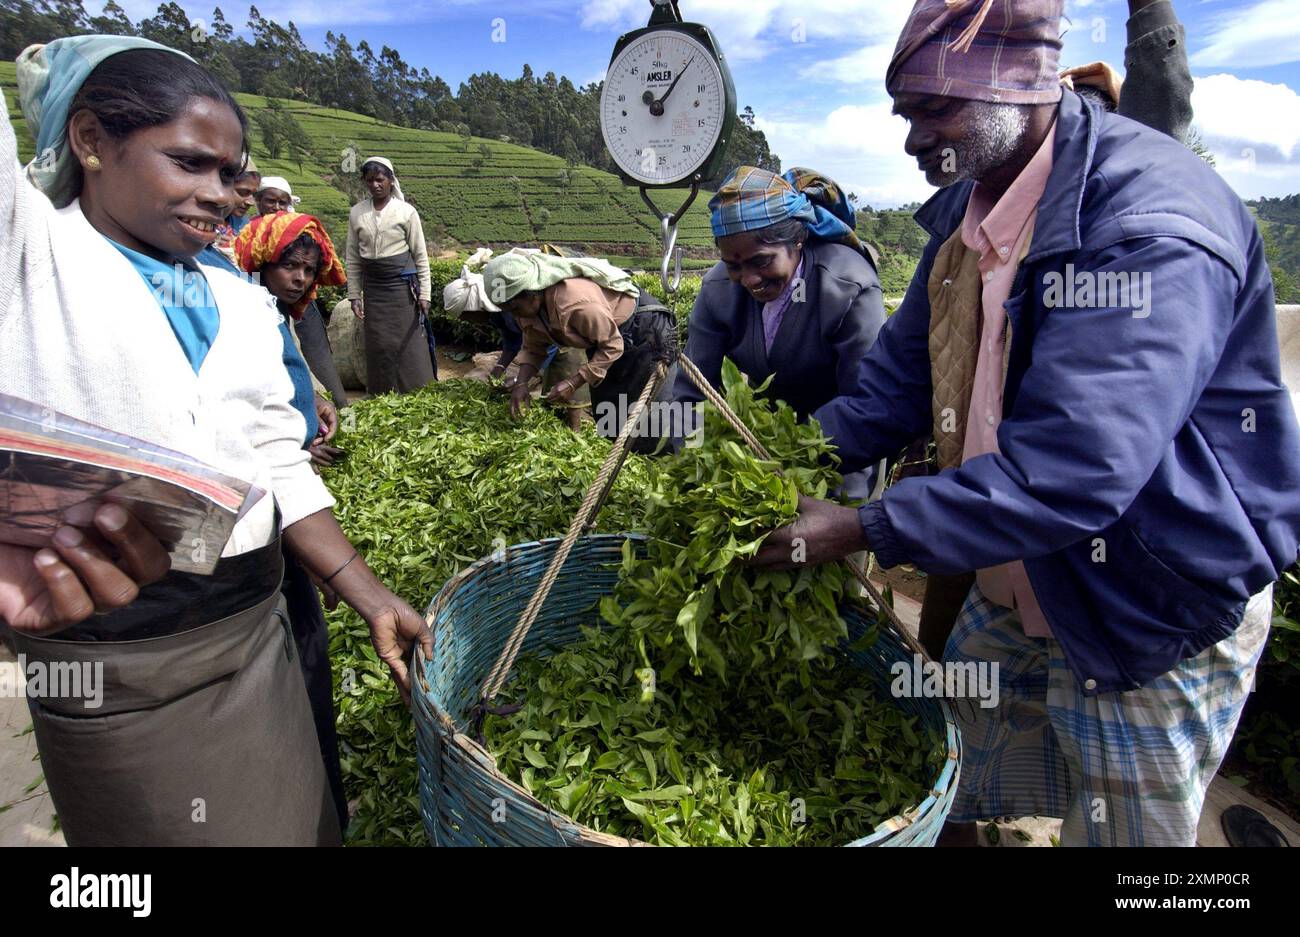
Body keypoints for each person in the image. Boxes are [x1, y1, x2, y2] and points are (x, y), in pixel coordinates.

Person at [751, 0, 1300, 847]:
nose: (911, 140)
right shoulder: (969, 224)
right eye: (906, 115)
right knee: (937, 764)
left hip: (1146, 601)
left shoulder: (1148, 226)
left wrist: (859, 527)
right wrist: (774, 463)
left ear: (1021, 84)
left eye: (935, 110)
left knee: (1131, 844)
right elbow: (894, 388)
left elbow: (1075, 468)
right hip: (1017, 579)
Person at [0, 36, 431, 846]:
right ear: (91, 140)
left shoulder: (238, 304)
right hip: (115, 654)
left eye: (231, 175)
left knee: (301, 822)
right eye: (190, 164)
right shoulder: (29, 254)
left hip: (252, 630)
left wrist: (371, 598)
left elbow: (277, 460)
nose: (222, 195)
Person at [916, 0, 1200, 661]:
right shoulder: (970, 222)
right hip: (993, 548)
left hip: (1118, 604)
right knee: (959, 706)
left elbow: (1079, 456)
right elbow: (905, 369)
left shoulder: (1135, 217)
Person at [233, 209, 351, 829]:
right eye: (290, 265)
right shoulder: (239, 312)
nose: (302, 278)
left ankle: (318, 796)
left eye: (309, 268)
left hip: (288, 494)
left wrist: (317, 406)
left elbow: (290, 381)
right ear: (261, 260)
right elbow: (253, 424)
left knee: (307, 642)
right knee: (301, 647)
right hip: (263, 514)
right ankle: (311, 803)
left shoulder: (273, 315)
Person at [673, 167, 885, 426]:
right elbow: (692, 391)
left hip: (843, 440)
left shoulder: (849, 288)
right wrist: (694, 456)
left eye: (761, 261)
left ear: (797, 240)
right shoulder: (719, 288)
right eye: (734, 265)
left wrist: (812, 455)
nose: (749, 279)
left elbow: (864, 403)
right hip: (766, 433)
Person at [481, 251, 677, 451]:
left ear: (532, 294)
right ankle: (620, 459)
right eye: (507, 309)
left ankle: (661, 460)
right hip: (605, 339)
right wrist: (521, 383)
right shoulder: (528, 310)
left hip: (644, 331)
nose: (514, 316)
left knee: (652, 413)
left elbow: (611, 345)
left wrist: (572, 383)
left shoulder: (574, 303)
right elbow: (533, 346)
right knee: (610, 411)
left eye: (514, 307)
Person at [345, 156, 436, 395]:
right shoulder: (357, 213)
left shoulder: (406, 212)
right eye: (370, 180)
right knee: (379, 344)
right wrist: (354, 294)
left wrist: (425, 293)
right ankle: (383, 394)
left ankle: (417, 391)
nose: (375, 185)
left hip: (401, 288)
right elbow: (353, 257)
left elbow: (421, 255)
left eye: (380, 179)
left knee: (410, 343)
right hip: (374, 289)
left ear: (390, 181)